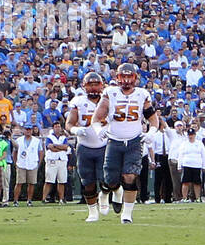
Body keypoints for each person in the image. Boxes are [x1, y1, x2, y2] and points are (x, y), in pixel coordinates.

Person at [92, 62, 159, 224]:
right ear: (118, 78)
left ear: (135, 78)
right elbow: (96, 118)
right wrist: (98, 129)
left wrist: (151, 132)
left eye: (130, 77)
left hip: (134, 141)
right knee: (110, 180)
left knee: (130, 176)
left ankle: (127, 214)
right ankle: (106, 193)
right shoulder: (110, 93)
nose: (127, 81)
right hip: (114, 141)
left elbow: (153, 119)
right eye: (124, 76)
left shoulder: (142, 94)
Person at [66, 71, 110, 221]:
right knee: (88, 182)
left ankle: (104, 196)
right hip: (84, 147)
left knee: (106, 180)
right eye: (90, 85)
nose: (93, 88)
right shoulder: (78, 101)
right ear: (84, 86)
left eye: (96, 84)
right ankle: (92, 212)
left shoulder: (107, 101)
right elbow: (69, 123)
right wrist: (75, 129)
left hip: (103, 146)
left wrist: (109, 130)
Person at [11, 125, 42, 206]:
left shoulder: (37, 141)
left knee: (31, 183)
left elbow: (41, 152)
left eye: (29, 130)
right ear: (23, 130)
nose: (28, 131)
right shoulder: (18, 140)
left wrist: (38, 163)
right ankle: (15, 201)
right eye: (26, 129)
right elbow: (14, 152)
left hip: (32, 163)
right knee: (19, 183)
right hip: (21, 163)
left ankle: (29, 200)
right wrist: (16, 163)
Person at [43, 122, 71, 203]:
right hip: (52, 160)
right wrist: (60, 148)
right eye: (56, 127)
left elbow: (66, 147)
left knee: (62, 181)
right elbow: (50, 148)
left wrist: (56, 146)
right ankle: (44, 198)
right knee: (49, 181)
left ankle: (61, 199)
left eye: (59, 127)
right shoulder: (49, 137)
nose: (57, 128)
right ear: (53, 128)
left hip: (62, 160)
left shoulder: (63, 138)